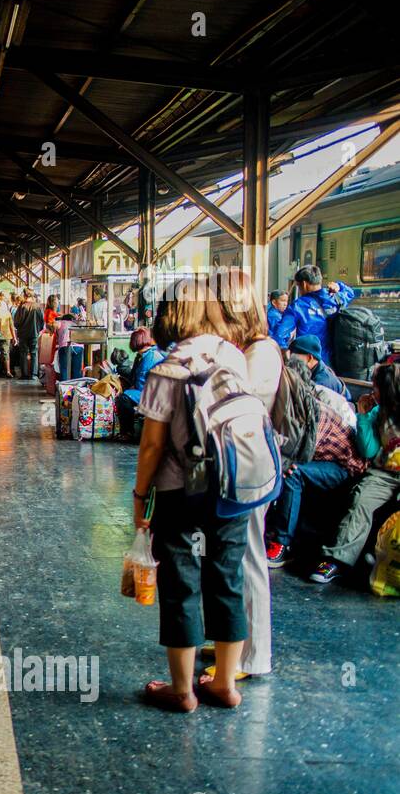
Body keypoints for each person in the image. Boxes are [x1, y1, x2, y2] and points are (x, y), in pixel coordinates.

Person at [134, 279, 254, 712]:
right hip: (233, 486)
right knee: (227, 577)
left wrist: (138, 497)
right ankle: (224, 683)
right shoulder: (233, 356)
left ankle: (182, 690)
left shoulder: (166, 370)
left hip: (179, 488)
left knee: (180, 583)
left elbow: (151, 446)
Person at [227, 279, 283, 681]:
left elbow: (236, 403)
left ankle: (253, 655)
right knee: (239, 556)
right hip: (244, 464)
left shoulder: (260, 354)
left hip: (251, 466)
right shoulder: (253, 350)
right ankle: (238, 640)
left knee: (250, 558)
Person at [264, 367, 368, 569]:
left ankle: (283, 543)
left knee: (293, 472)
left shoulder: (309, 413)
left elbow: (299, 453)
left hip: (345, 468)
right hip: (323, 458)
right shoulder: (294, 408)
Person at [311, 362, 400, 584]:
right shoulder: (377, 413)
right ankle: (336, 560)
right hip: (385, 474)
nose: (372, 392)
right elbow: (368, 449)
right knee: (360, 500)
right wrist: (362, 414)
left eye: (376, 388)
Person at [271, 265, 356, 367]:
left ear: (304, 284)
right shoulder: (335, 298)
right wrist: (338, 286)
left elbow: (279, 335)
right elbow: (350, 292)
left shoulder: (298, 306)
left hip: (308, 363)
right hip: (333, 361)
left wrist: (286, 352)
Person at [115, 327, 167, 438]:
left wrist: (129, 390)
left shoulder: (149, 358)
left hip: (152, 394)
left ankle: (127, 433)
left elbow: (140, 384)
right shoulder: (146, 355)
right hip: (152, 391)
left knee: (124, 399)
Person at [13, 292, 44, 379]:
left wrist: (19, 328)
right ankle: (34, 374)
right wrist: (38, 330)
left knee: (23, 353)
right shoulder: (38, 306)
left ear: (25, 296)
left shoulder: (22, 307)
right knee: (34, 353)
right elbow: (42, 321)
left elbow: (17, 322)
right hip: (34, 333)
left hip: (23, 334)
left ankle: (24, 374)